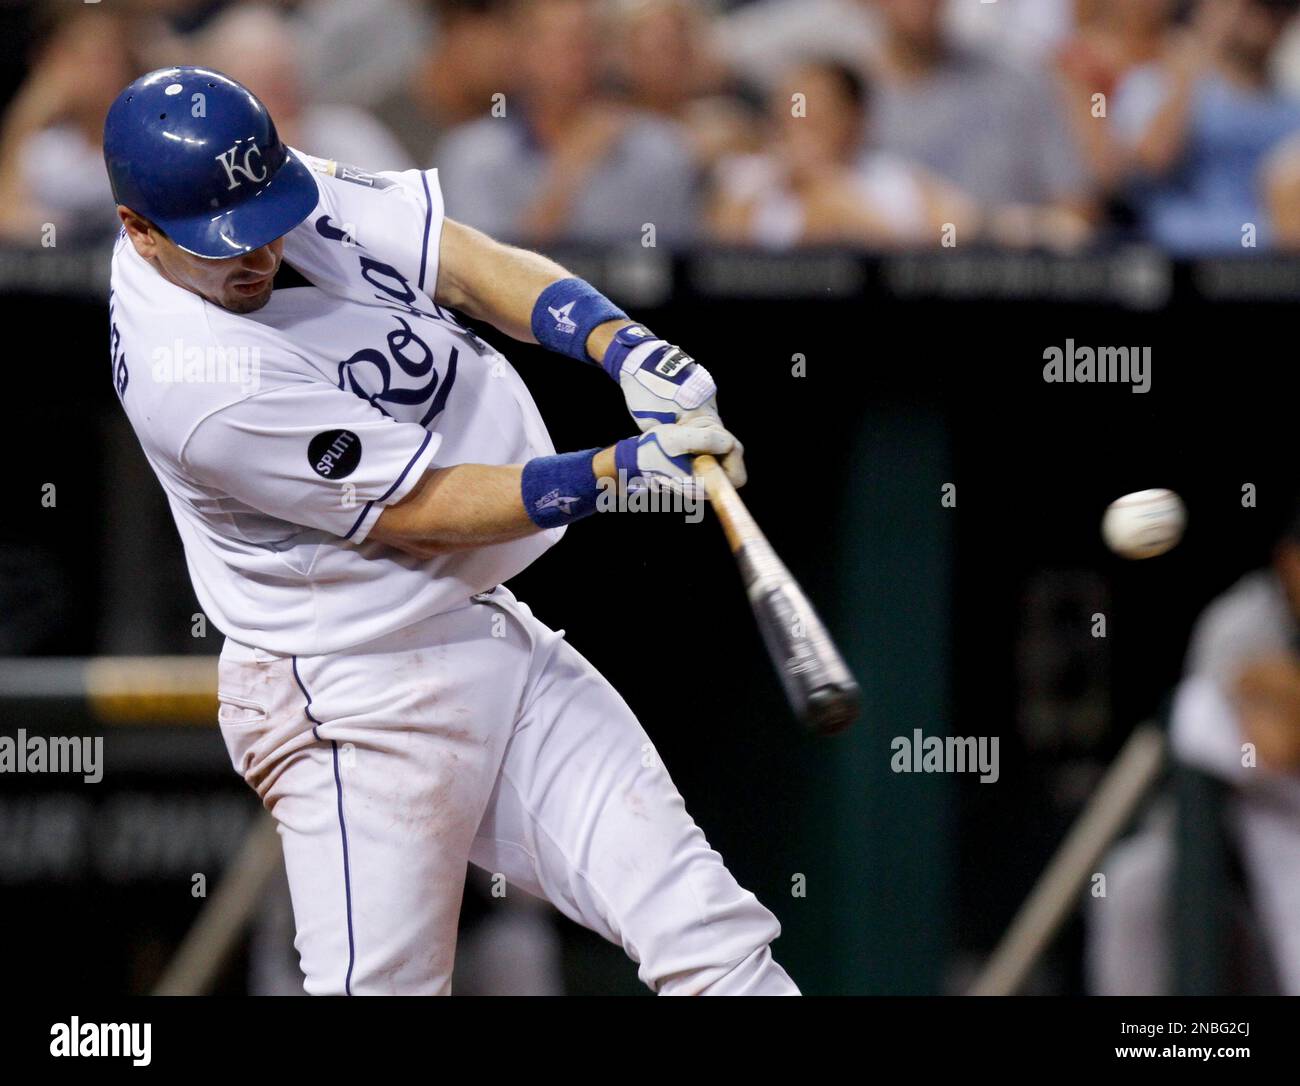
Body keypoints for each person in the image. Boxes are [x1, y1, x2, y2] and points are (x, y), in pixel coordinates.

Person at [103, 66, 795, 996]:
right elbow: (420, 510)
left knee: (707, 931)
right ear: (138, 230)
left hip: (478, 632)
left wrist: (620, 344)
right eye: (229, 243)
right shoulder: (195, 384)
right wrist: (618, 471)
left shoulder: (248, 182)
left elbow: (461, 261)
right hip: (350, 691)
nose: (260, 252)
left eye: (267, 217)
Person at [435, 0, 698, 247]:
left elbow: (681, 270)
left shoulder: (658, 150)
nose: (572, 60)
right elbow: (484, 277)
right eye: (553, 43)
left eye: (583, 42)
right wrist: (567, 174)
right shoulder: (474, 156)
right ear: (521, 51)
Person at [708, 59, 973, 248]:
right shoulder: (748, 178)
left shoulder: (899, 181)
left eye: (818, 111)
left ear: (854, 118)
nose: (799, 121)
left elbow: (953, 238)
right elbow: (715, 251)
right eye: (792, 108)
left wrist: (827, 187)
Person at [1113, 0, 1300, 253]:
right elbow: (1149, 163)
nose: (1264, 20)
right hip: (1182, 253)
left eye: (1277, 10)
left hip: (1273, 256)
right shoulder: (1156, 82)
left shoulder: (1292, 105)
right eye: (1251, 8)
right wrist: (1196, 58)